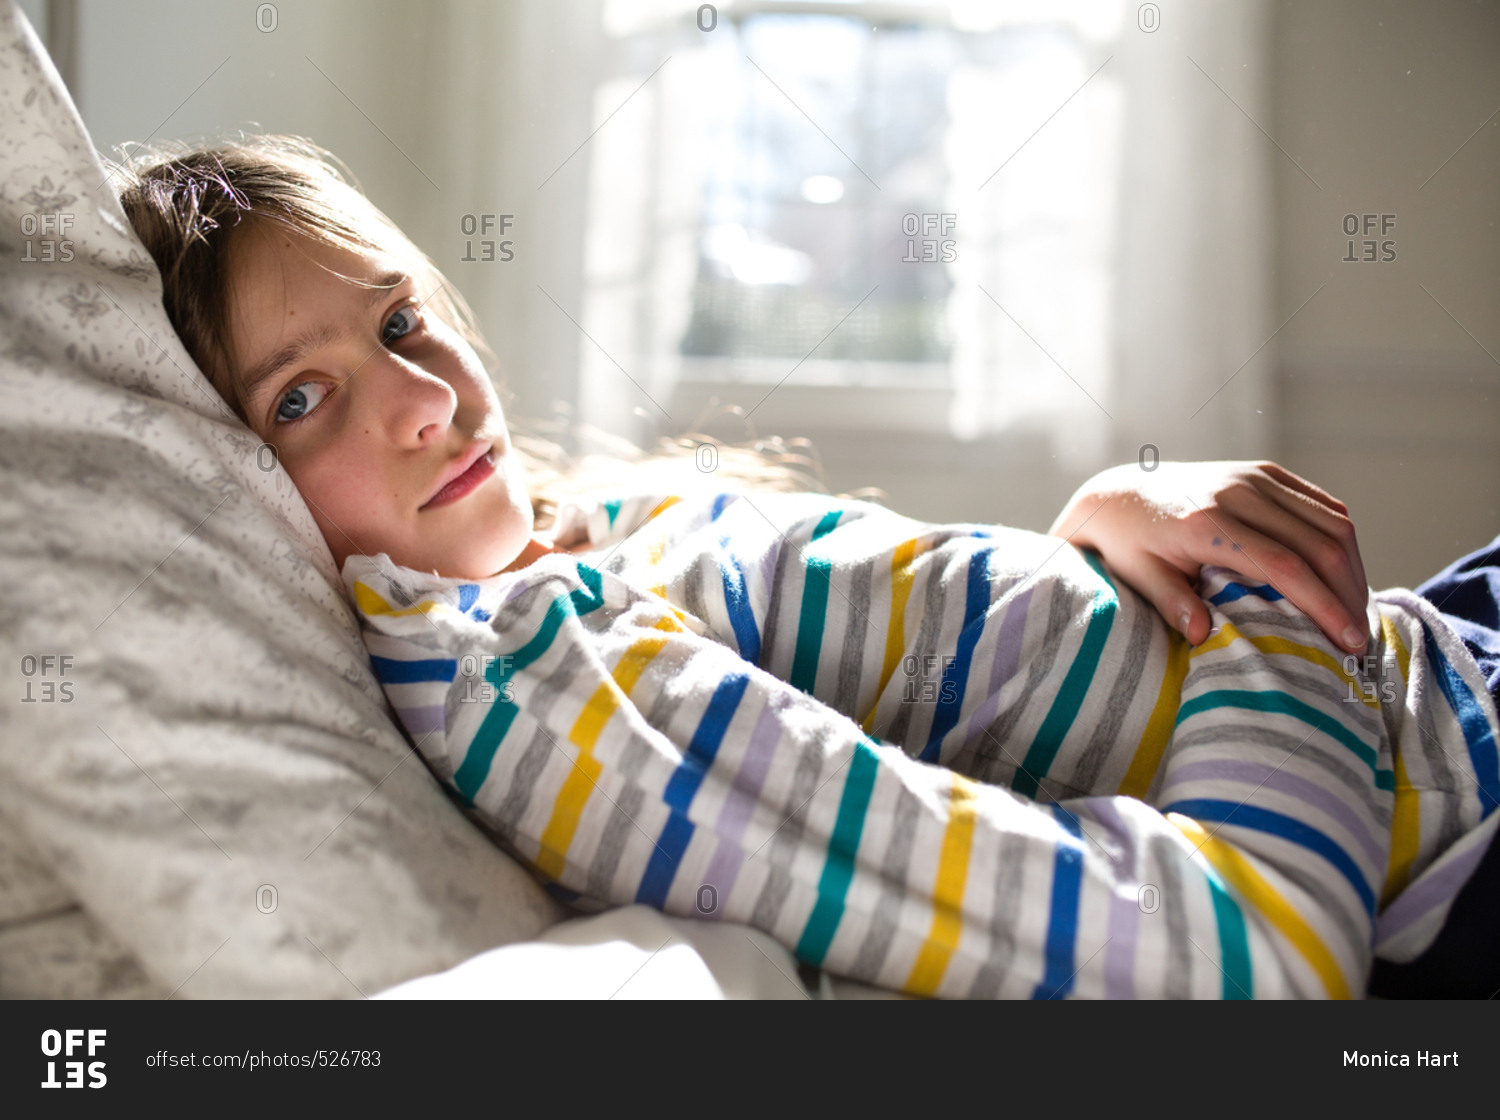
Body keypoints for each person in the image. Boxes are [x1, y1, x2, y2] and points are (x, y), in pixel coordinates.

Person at [116, 136, 1499, 998]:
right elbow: (1256, 958)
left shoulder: (573, 537)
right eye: (302, 398)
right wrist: (1264, 613)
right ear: (229, 483)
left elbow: (1005, 676)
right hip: (1451, 793)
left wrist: (1101, 527)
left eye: (401, 321)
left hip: (1443, 636)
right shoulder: (526, 685)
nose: (425, 399)